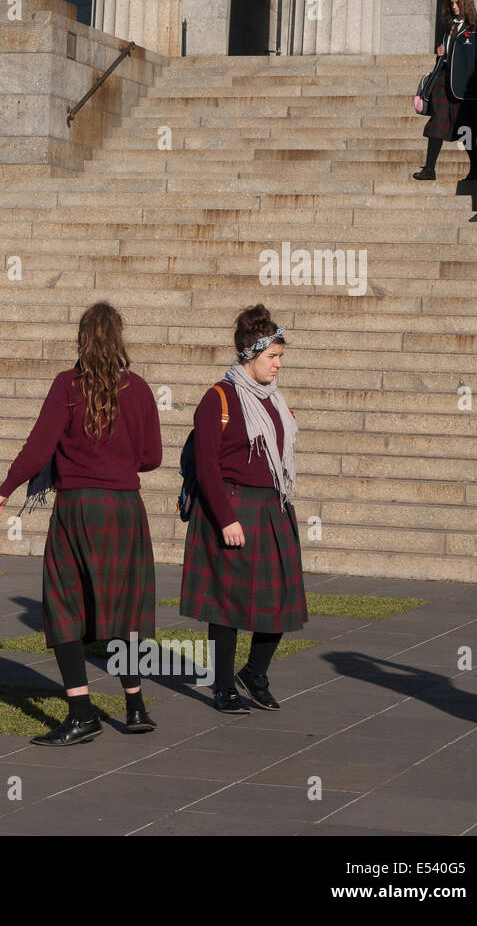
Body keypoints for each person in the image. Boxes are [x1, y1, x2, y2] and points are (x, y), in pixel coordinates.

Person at [0, 303, 162, 746]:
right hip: (125, 508)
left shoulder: (68, 385)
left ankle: (82, 714)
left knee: (64, 605)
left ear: (82, 340)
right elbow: (153, 458)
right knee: (127, 610)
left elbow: (39, 446)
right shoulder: (139, 389)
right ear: (119, 339)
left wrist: (6, 488)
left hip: (79, 507)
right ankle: (136, 705)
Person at [179, 305, 307, 713]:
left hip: (272, 506)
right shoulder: (218, 398)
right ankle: (222, 686)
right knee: (227, 603)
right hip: (232, 506)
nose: (278, 365)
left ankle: (254, 673)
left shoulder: (273, 399)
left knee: (282, 600)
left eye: (280, 357)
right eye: (272, 357)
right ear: (249, 355)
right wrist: (227, 517)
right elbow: (207, 465)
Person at [414, 0, 477, 182]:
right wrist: (440, 53)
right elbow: (448, 51)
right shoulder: (449, 25)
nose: (454, 7)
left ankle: (476, 167)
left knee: (465, 127)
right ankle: (430, 168)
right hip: (442, 80)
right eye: (452, 3)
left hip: (464, 86)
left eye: (457, 2)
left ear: (466, 1)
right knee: (438, 120)